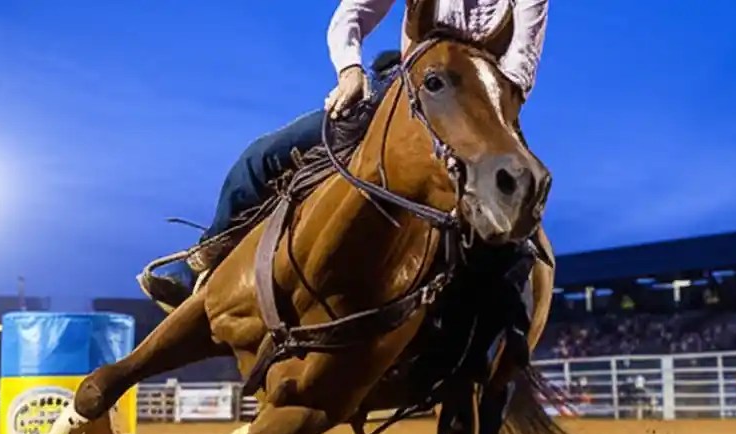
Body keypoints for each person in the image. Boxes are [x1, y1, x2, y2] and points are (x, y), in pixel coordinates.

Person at [140, 0, 550, 311]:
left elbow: (520, 65)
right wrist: (350, 69)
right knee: (263, 156)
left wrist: (488, 117)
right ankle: (205, 259)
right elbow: (352, 14)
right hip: (410, 97)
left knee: (519, 231)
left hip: (484, 112)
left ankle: (502, 338)